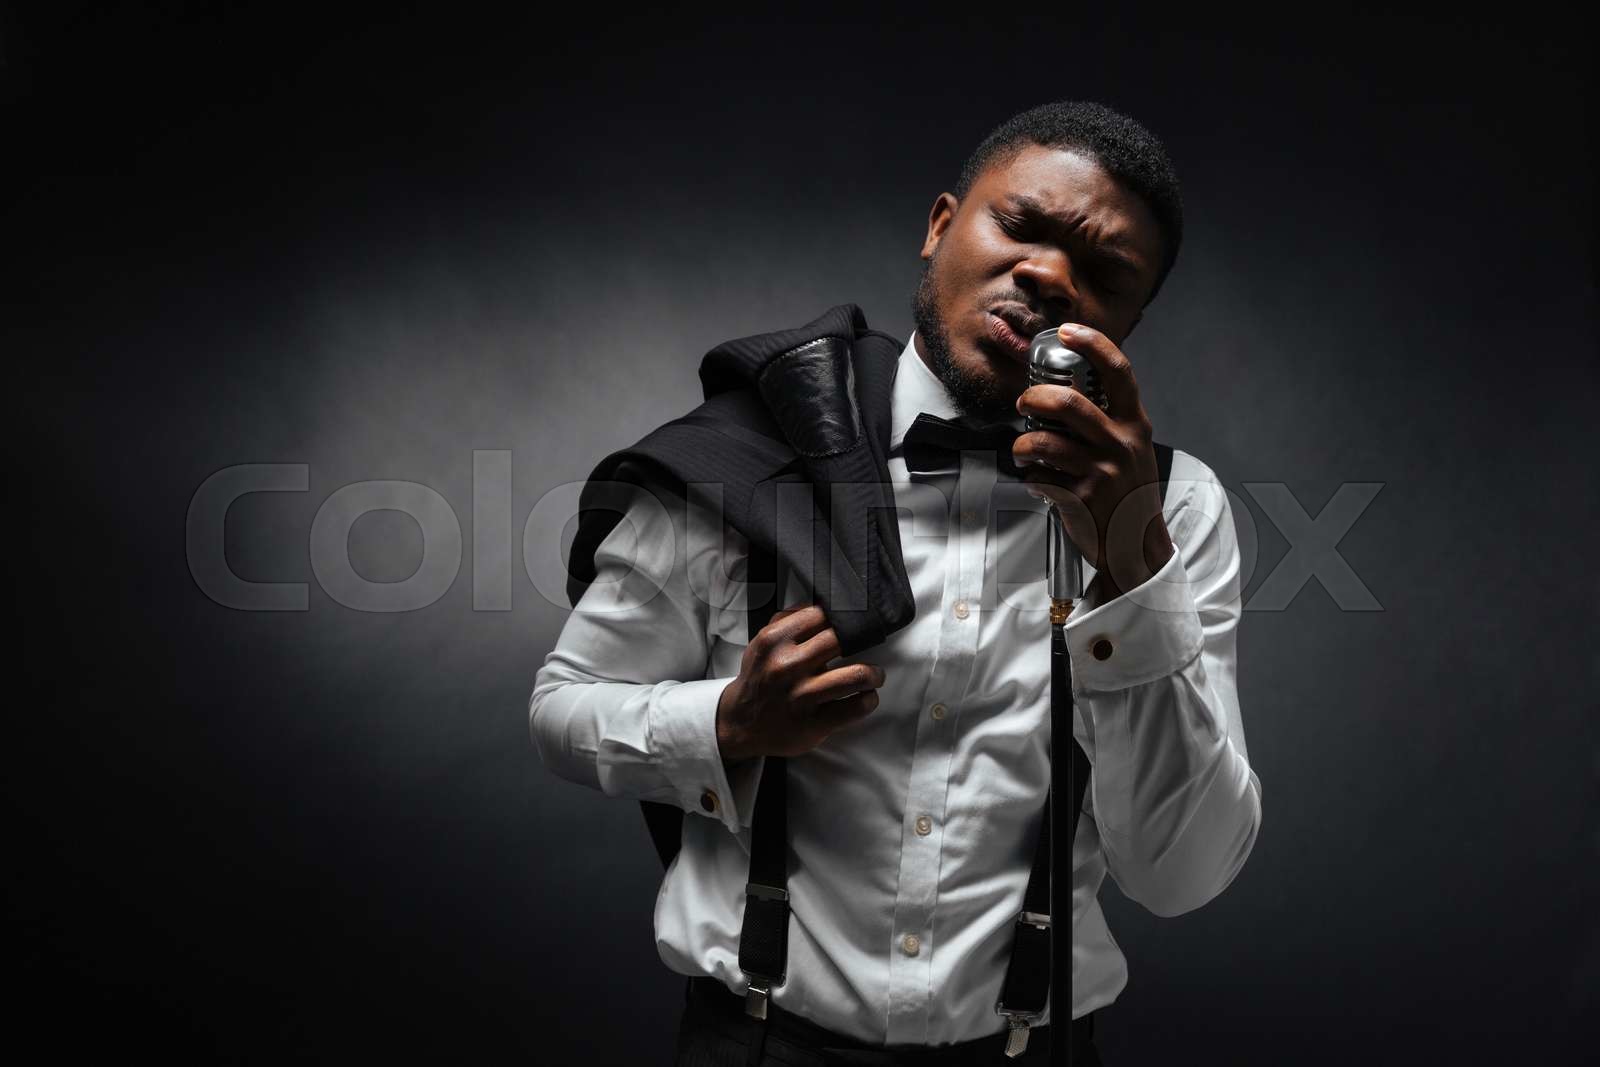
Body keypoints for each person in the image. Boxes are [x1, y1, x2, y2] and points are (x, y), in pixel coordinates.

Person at [529, 100, 1263, 1065]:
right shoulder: (749, 458)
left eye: (1103, 273)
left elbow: (1181, 873)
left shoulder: (1179, 510)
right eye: (1022, 226)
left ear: (1127, 324)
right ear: (940, 225)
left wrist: (1131, 562)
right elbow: (563, 709)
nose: (1047, 275)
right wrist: (727, 725)